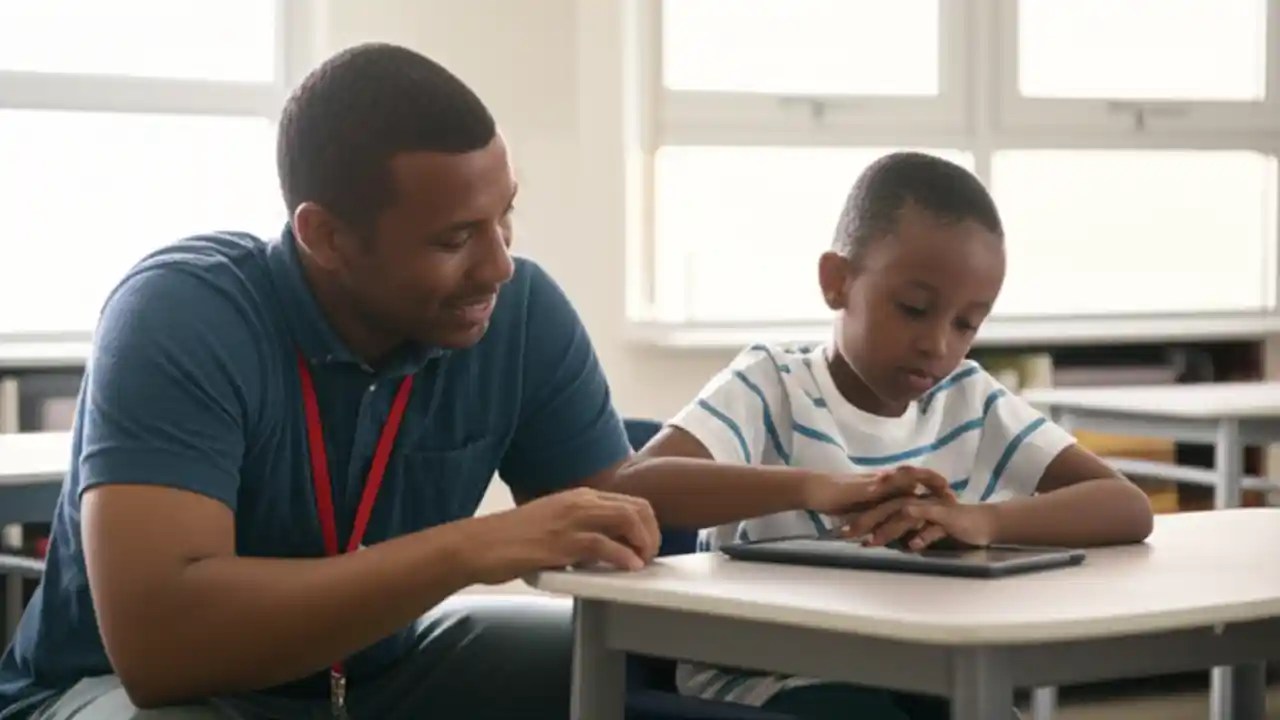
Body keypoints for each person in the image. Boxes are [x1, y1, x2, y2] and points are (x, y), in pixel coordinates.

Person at [608, 151, 1155, 719]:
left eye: (966, 323)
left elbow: (1126, 506)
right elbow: (637, 486)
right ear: (836, 282)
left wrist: (983, 520)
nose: (938, 344)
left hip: (921, 665)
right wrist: (814, 489)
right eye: (914, 308)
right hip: (772, 677)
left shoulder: (969, 398)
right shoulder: (773, 383)